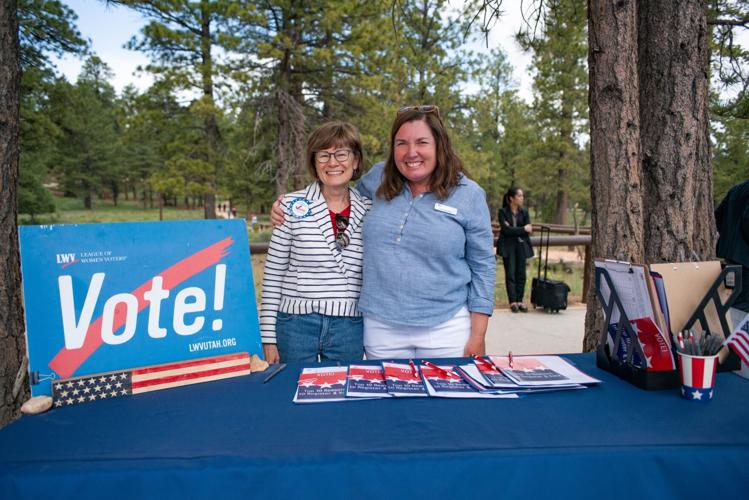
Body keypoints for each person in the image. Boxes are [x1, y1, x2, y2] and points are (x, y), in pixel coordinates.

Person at [271, 105, 495, 358]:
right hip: (381, 329)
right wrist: (290, 205)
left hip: (446, 328)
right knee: (386, 397)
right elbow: (337, 192)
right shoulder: (378, 178)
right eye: (401, 143)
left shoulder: (468, 194)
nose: (411, 153)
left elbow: (483, 266)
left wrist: (478, 335)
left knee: (445, 397)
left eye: (422, 142)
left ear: (439, 145)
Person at [260, 121, 372, 363]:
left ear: (356, 161)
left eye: (342, 153)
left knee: (344, 392)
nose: (333, 163)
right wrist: (268, 338)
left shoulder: (370, 211)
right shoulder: (290, 205)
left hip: (349, 325)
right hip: (295, 324)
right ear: (314, 162)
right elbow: (273, 274)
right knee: (290, 392)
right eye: (324, 155)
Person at [715, 179, 749, 327]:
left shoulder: (738, 189)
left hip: (730, 261)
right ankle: (734, 347)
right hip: (746, 264)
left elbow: (718, 216)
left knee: (732, 307)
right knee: (740, 314)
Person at [496, 187, 533, 313]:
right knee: (510, 274)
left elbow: (529, 230)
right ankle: (512, 301)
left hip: (521, 246)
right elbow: (506, 231)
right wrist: (522, 229)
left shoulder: (524, 212)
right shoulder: (502, 212)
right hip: (508, 247)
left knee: (521, 274)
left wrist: (513, 229)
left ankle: (520, 300)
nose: (522, 198)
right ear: (511, 198)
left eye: (522, 196)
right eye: (519, 196)